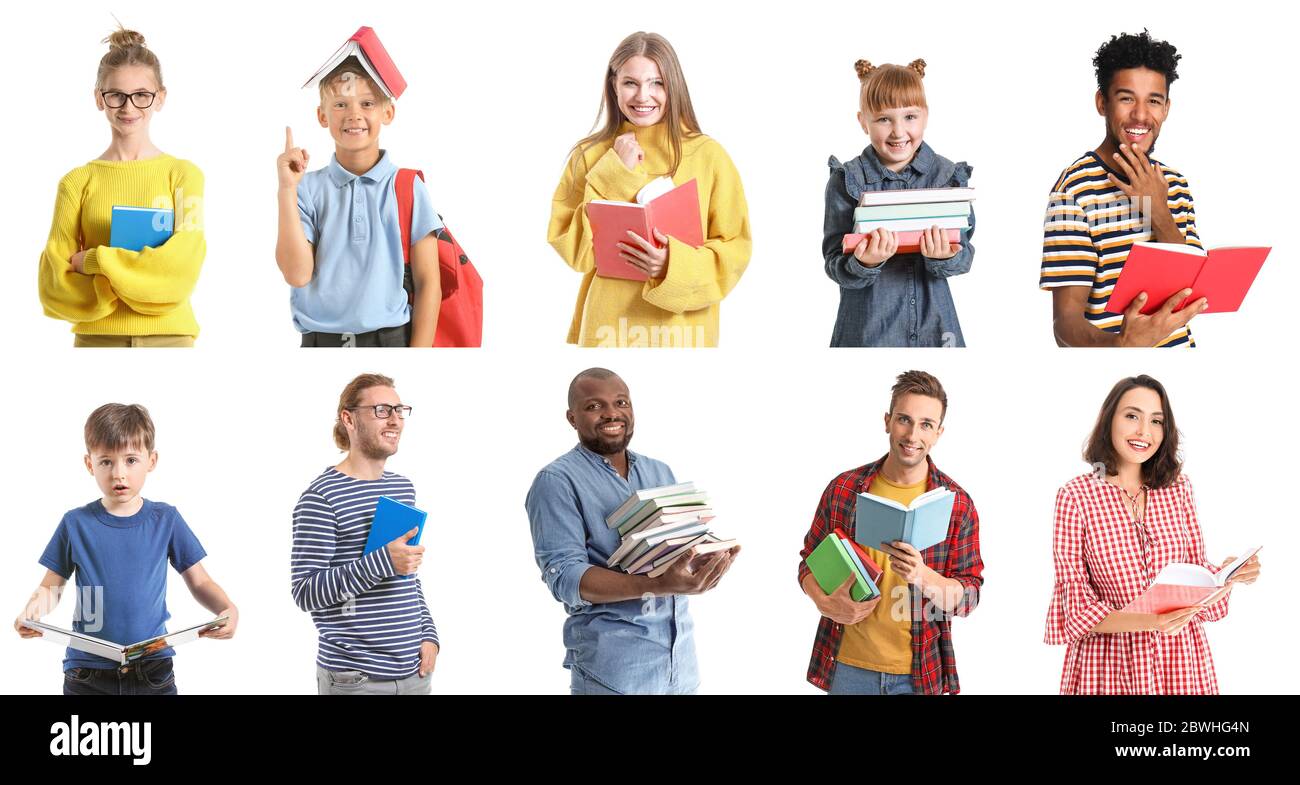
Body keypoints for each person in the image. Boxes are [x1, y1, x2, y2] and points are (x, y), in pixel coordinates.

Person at [525, 368, 740, 694]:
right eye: (594, 406)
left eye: (621, 402)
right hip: (615, 673)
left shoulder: (659, 470)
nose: (612, 413)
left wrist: (705, 560)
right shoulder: (556, 481)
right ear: (572, 418)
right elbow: (566, 577)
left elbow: (676, 549)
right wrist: (659, 584)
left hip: (680, 667)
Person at [1044, 375, 1261, 693]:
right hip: (1107, 664)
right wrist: (1152, 622)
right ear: (1109, 419)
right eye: (1132, 416)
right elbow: (1074, 606)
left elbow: (1195, 577)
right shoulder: (1076, 495)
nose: (1144, 432)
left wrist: (1228, 577)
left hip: (1181, 664)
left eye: (1156, 421)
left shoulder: (1178, 489)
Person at [14, 404, 237, 694]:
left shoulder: (166, 519)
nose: (119, 473)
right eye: (106, 461)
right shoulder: (75, 523)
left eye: (131, 460)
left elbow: (200, 580)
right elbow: (51, 587)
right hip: (87, 672)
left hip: (152, 669)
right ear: (89, 464)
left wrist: (226, 607)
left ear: (151, 460)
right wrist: (31, 612)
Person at [547, 32, 752, 347]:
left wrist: (671, 264)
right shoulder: (589, 154)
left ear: (674, 87)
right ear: (613, 85)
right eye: (631, 83)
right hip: (608, 327)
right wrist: (612, 171)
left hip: (683, 331)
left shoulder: (709, 155)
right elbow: (577, 253)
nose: (643, 96)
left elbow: (735, 251)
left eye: (657, 83)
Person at [798, 370, 982, 694]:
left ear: (938, 433)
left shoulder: (958, 506)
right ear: (887, 421)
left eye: (926, 424)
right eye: (904, 419)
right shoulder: (843, 489)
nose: (912, 435)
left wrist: (923, 575)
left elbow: (969, 597)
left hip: (919, 675)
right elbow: (808, 563)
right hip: (847, 667)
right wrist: (824, 602)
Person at [38, 28, 205, 347]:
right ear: (100, 98)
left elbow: (183, 266)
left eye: (142, 95)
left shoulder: (183, 175)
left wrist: (96, 261)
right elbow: (52, 281)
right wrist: (140, 274)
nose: (128, 108)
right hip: (96, 338)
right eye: (116, 95)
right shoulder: (77, 181)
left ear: (161, 97)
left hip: (171, 337)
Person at [1040, 30, 1208, 347]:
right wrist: (1123, 346)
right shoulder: (1073, 190)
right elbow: (1066, 324)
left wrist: (1160, 212)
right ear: (1102, 102)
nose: (1141, 115)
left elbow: (1191, 292)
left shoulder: (1175, 183)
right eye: (1126, 98)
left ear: (1167, 109)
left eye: (1153, 101)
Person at [276, 48, 441, 347]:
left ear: (387, 112)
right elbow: (297, 274)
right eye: (340, 104)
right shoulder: (307, 188)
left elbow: (430, 282)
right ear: (322, 115)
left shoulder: (407, 186)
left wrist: (419, 358)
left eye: (367, 103)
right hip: (319, 343)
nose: (354, 115)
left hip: (391, 340)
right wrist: (287, 190)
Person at [291, 373, 439, 694]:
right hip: (356, 680)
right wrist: (384, 560)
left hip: (415, 674)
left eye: (400, 411)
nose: (396, 420)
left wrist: (428, 634)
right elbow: (305, 591)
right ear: (349, 419)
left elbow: (407, 572)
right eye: (383, 410)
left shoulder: (402, 488)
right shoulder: (321, 497)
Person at [823, 59, 974, 347]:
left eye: (910, 117)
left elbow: (964, 254)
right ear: (863, 121)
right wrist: (863, 262)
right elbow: (833, 262)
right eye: (883, 119)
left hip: (936, 328)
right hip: (868, 330)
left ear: (925, 117)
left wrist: (944, 257)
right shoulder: (846, 180)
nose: (898, 131)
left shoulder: (947, 176)